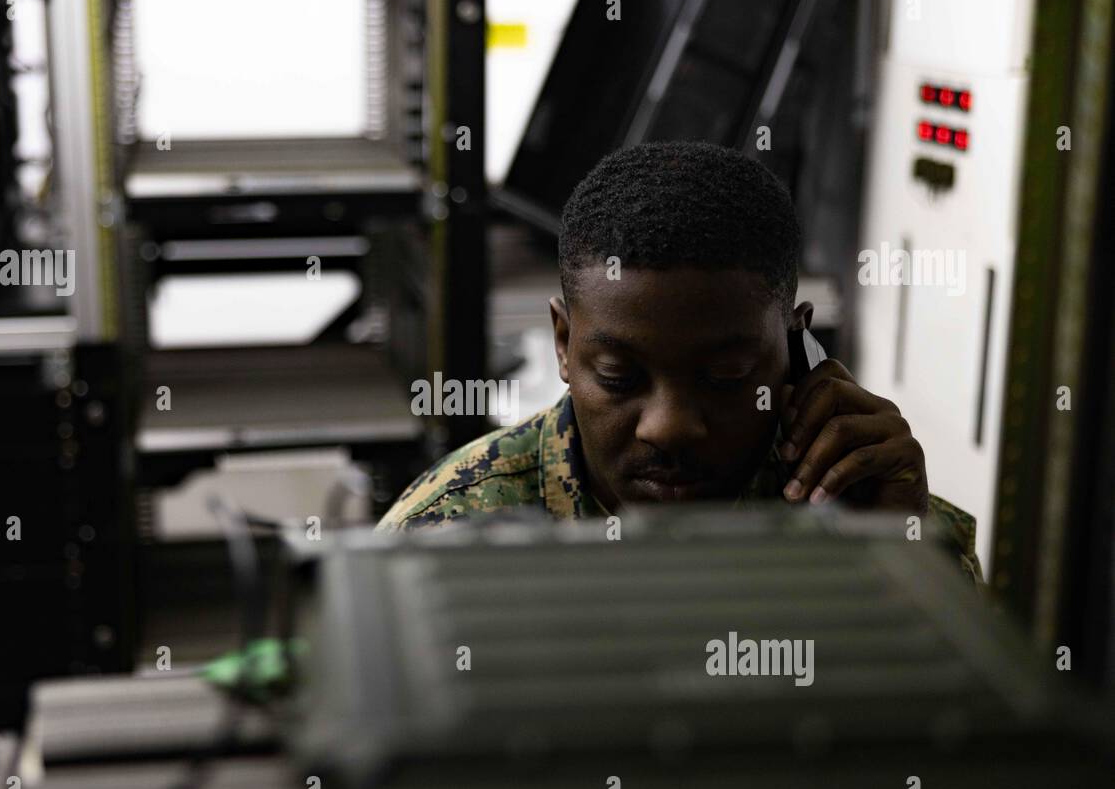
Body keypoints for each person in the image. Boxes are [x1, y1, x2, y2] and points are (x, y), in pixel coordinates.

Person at [377, 141, 981, 584]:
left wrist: (896, 558)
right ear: (563, 343)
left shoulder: (863, 503)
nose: (668, 427)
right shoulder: (446, 539)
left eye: (726, 378)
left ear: (797, 345)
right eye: (620, 376)